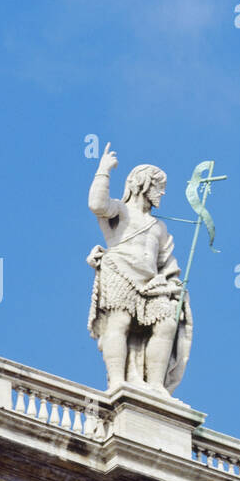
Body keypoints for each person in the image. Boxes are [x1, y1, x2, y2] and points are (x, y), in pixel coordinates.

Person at [86, 145, 191, 394]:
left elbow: (166, 263)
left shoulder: (159, 227)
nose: (162, 194)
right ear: (143, 184)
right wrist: (104, 171)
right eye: (158, 187)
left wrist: (173, 283)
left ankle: (155, 383)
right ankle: (116, 381)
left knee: (167, 323)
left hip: (151, 282)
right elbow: (97, 204)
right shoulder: (121, 210)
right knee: (119, 322)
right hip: (120, 270)